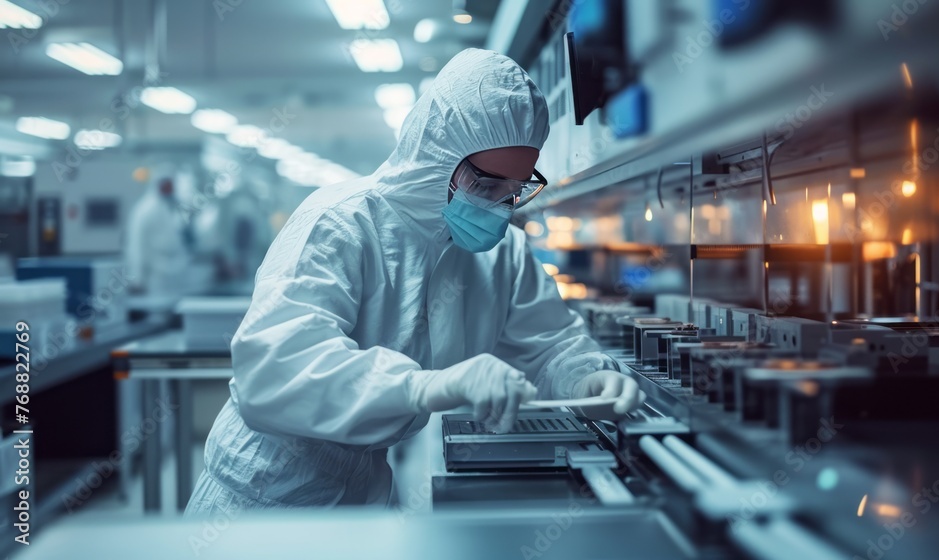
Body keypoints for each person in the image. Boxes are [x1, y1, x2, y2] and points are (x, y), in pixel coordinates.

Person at [185, 48, 644, 514]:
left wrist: (586, 378)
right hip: (261, 497)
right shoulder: (341, 223)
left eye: (515, 191)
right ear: (437, 154)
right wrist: (421, 387)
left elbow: (550, 346)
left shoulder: (502, 255)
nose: (500, 210)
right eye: (487, 186)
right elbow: (276, 369)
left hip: (364, 488)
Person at [124, 164, 193, 297]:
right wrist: (138, 278)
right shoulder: (145, 209)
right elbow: (136, 245)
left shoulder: (168, 207)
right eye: (168, 184)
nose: (172, 188)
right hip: (155, 275)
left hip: (173, 273)